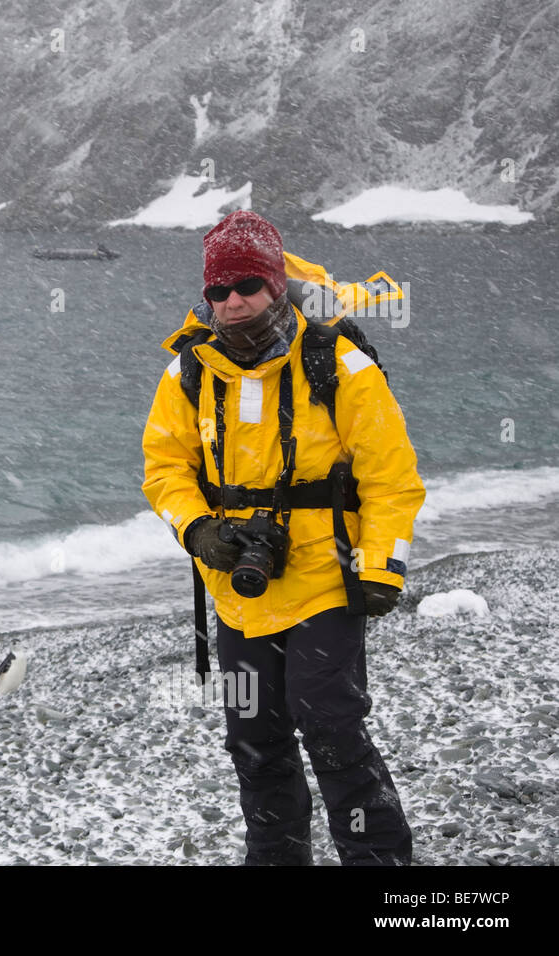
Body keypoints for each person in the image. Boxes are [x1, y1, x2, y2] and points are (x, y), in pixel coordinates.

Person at [140, 210, 425, 866]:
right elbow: (164, 470)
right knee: (254, 741)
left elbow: (392, 479)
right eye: (218, 290)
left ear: (274, 284)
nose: (232, 301)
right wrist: (198, 530)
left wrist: (382, 566)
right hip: (239, 588)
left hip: (327, 578)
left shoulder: (339, 365)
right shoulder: (189, 371)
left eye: (247, 285)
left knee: (331, 729)